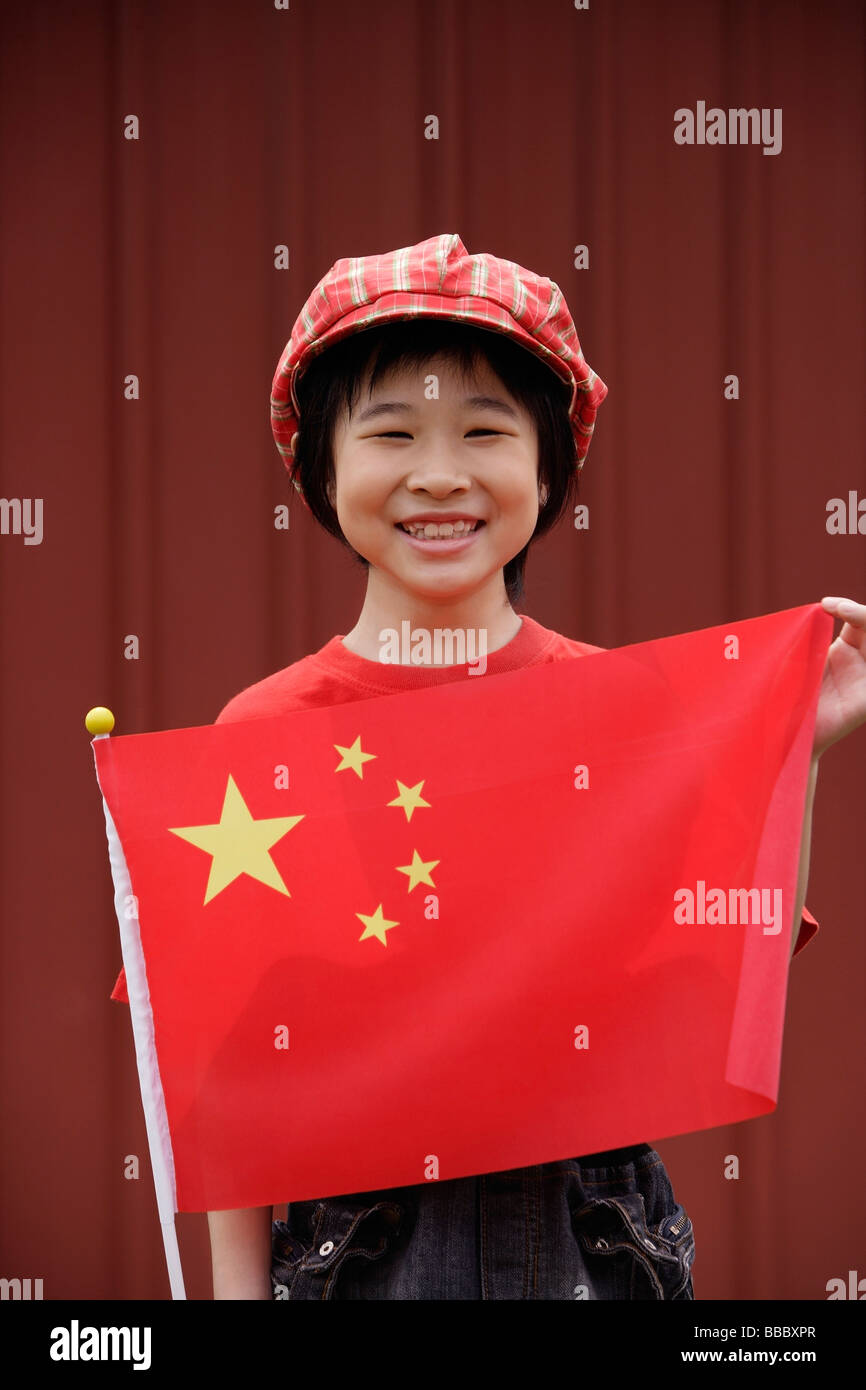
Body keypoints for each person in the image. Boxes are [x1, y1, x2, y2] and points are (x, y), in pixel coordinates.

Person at [112, 232, 855, 1300]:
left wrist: (796, 750)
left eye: (484, 429)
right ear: (319, 465)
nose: (440, 474)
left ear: (547, 464)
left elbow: (733, 955)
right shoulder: (264, 730)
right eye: (392, 431)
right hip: (357, 1248)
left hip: (589, 1236)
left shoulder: (624, 709)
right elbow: (228, 1061)